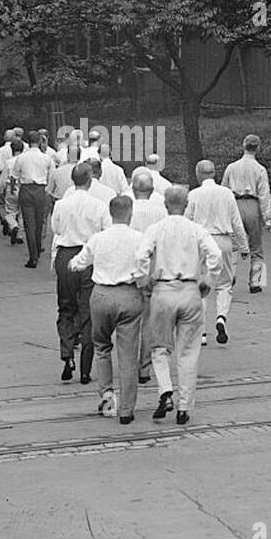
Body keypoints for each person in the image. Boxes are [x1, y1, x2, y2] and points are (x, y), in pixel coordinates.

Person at [135, 185, 222, 426]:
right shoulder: (197, 230)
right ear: (186, 206)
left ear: (165, 204)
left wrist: (144, 280)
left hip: (163, 290)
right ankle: (184, 406)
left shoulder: (156, 229)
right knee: (188, 352)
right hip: (190, 290)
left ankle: (165, 389)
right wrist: (209, 280)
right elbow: (216, 256)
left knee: (159, 347)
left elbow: (141, 255)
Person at [68, 195, 147, 424]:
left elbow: (77, 263)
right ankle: (126, 410)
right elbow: (145, 269)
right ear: (130, 213)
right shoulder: (139, 239)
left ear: (111, 214)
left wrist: (71, 265)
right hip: (129, 296)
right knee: (128, 355)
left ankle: (107, 396)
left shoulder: (97, 238)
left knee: (101, 346)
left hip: (101, 295)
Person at [50, 162, 112, 383]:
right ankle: (86, 368)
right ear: (90, 180)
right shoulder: (99, 205)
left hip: (66, 255)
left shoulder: (61, 205)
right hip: (89, 256)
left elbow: (56, 230)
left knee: (66, 307)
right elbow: (107, 231)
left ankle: (67, 354)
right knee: (88, 311)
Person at [185, 160, 249, 347]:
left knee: (201, 286)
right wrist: (243, 246)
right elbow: (236, 222)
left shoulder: (194, 194)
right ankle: (221, 317)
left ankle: (202, 332)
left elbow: (187, 221)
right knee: (224, 284)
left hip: (202, 241)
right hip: (223, 240)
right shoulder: (226, 193)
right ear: (214, 174)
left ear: (198, 174)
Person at [129, 171, 169, 385]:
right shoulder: (160, 211)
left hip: (129, 270)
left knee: (128, 321)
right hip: (152, 271)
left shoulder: (126, 209)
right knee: (148, 320)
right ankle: (144, 366)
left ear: (133, 189)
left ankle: (128, 362)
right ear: (152, 190)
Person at [221, 134, 271, 293]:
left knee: (233, 244)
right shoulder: (260, 169)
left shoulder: (231, 167)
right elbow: (264, 195)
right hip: (253, 205)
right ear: (258, 148)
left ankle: (230, 276)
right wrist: (267, 218)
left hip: (235, 204)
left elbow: (223, 188)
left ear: (243, 146)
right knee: (257, 246)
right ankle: (256, 282)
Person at [13, 130, 54, 268]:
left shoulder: (21, 158)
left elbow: (14, 175)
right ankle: (38, 248)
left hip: (26, 189)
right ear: (40, 141)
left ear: (28, 142)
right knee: (39, 222)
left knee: (29, 223)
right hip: (41, 190)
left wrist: (16, 188)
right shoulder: (46, 158)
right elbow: (51, 176)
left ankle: (33, 256)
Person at [0, 137, 24, 245]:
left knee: (10, 211)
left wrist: (0, 190)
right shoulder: (24, 161)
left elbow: (3, 179)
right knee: (22, 213)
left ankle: (13, 226)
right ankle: (20, 235)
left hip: (11, 188)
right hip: (22, 188)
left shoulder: (9, 162)